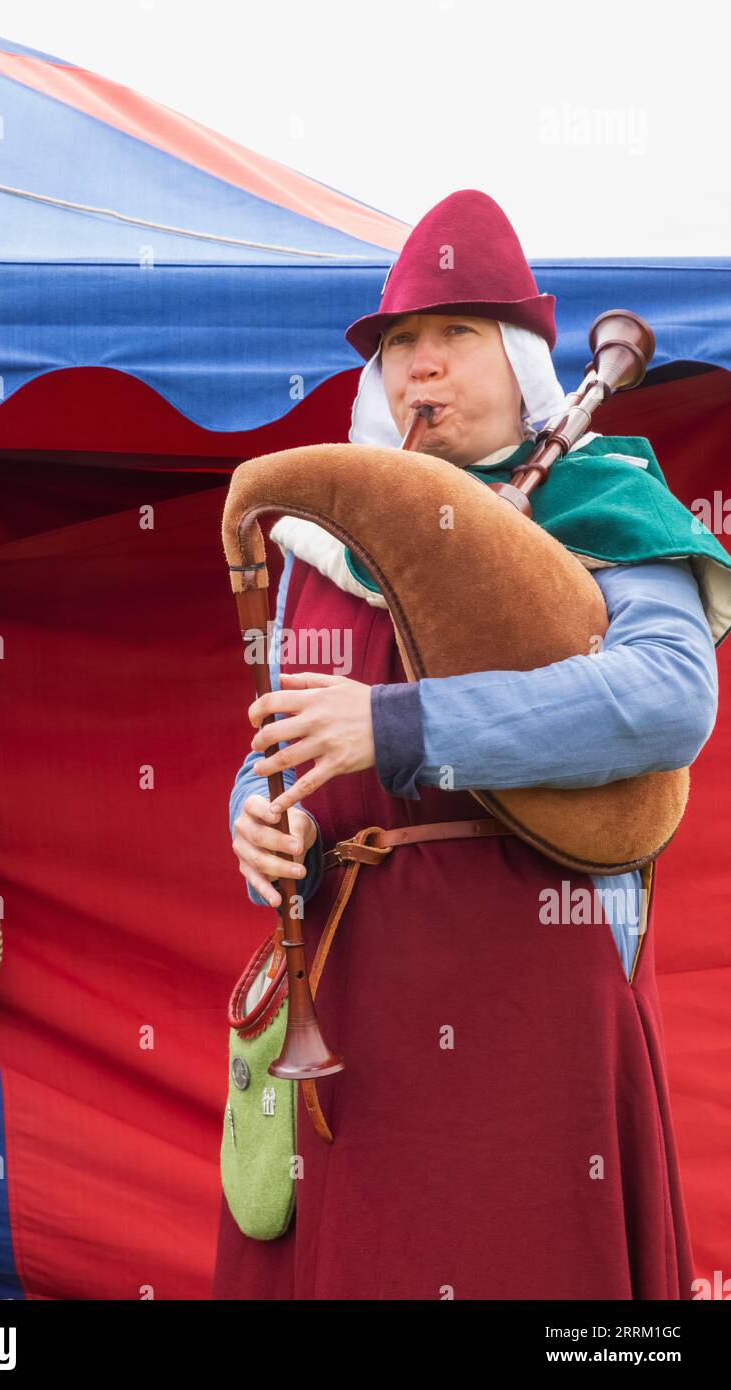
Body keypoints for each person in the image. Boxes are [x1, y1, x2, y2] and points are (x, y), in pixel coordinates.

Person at [213, 189, 731, 1300]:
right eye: (399, 343)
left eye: (452, 336)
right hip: (350, 998)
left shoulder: (598, 503)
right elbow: (279, 738)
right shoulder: (323, 541)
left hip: (528, 982)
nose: (421, 367)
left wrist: (397, 727)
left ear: (519, 359)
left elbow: (667, 696)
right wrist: (255, 816)